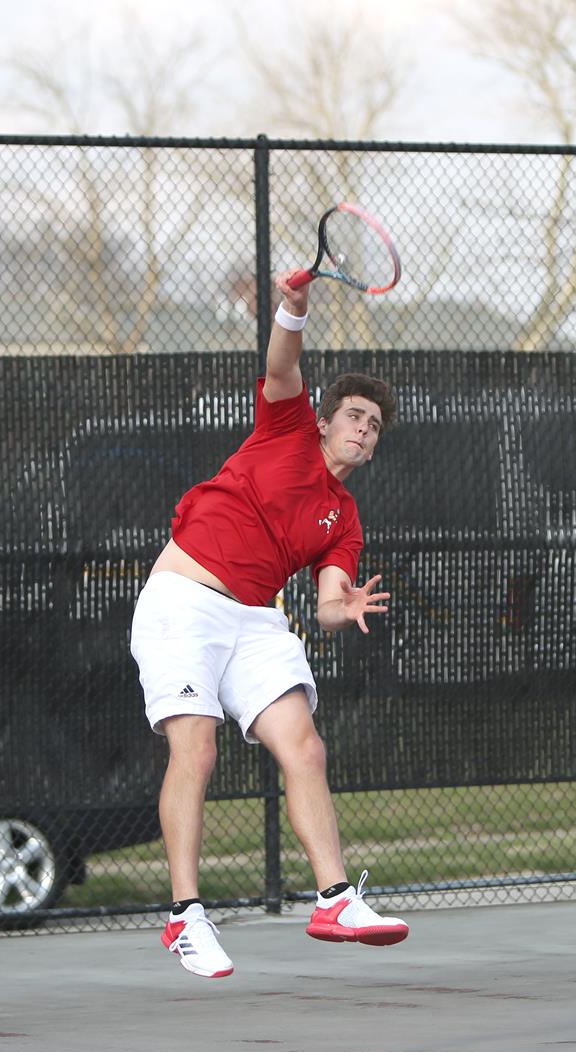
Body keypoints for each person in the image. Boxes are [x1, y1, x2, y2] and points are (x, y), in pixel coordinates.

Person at [129, 273, 406, 979]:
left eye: (373, 427)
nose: (362, 430)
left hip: (254, 617)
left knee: (305, 746)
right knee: (197, 751)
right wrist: (295, 305)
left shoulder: (342, 517)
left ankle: (335, 899)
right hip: (183, 601)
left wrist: (341, 608)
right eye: (354, 416)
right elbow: (283, 363)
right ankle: (185, 916)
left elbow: (327, 599)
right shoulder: (284, 424)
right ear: (325, 419)